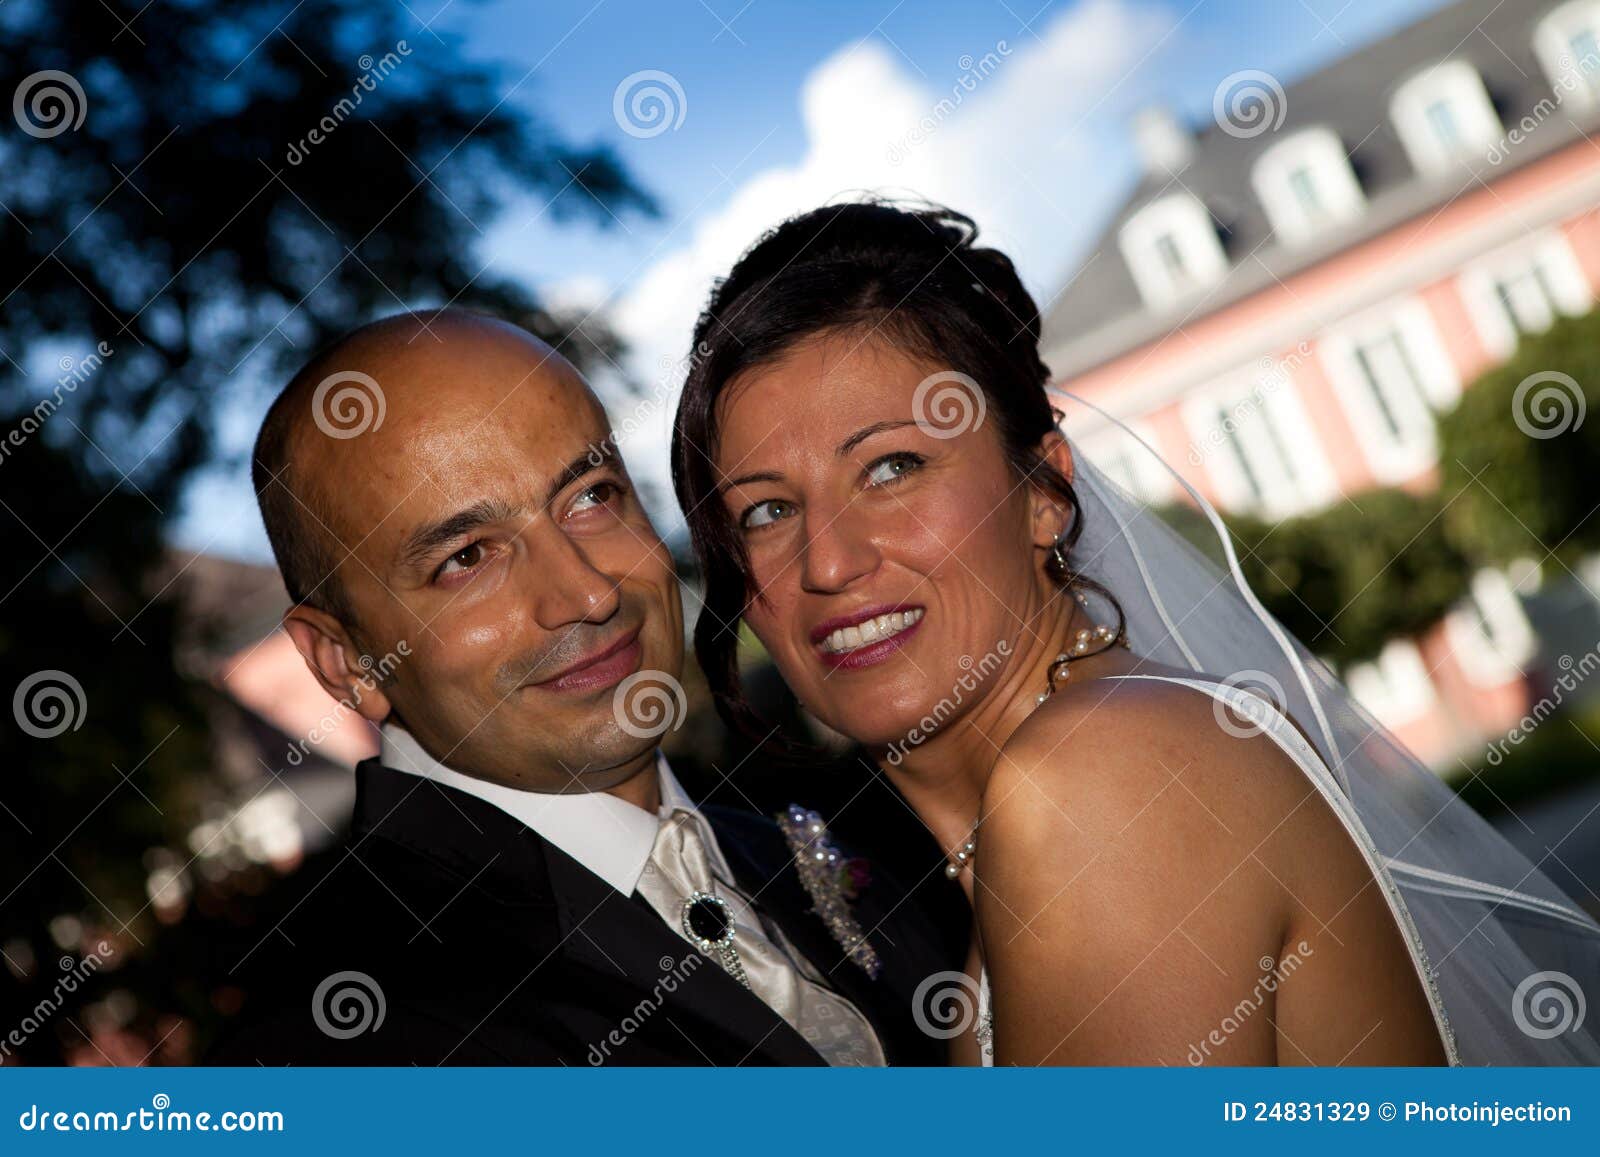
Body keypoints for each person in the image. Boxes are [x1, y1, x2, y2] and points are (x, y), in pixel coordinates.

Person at [670, 200, 1600, 1066]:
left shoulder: (1102, 780)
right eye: (764, 513)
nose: (827, 561)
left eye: (892, 466)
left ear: (1042, 491)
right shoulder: (1024, 843)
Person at [208, 308, 961, 1066]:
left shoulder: (825, 846)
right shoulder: (350, 1039)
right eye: (467, 557)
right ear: (345, 661)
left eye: (592, 497)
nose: (587, 591)